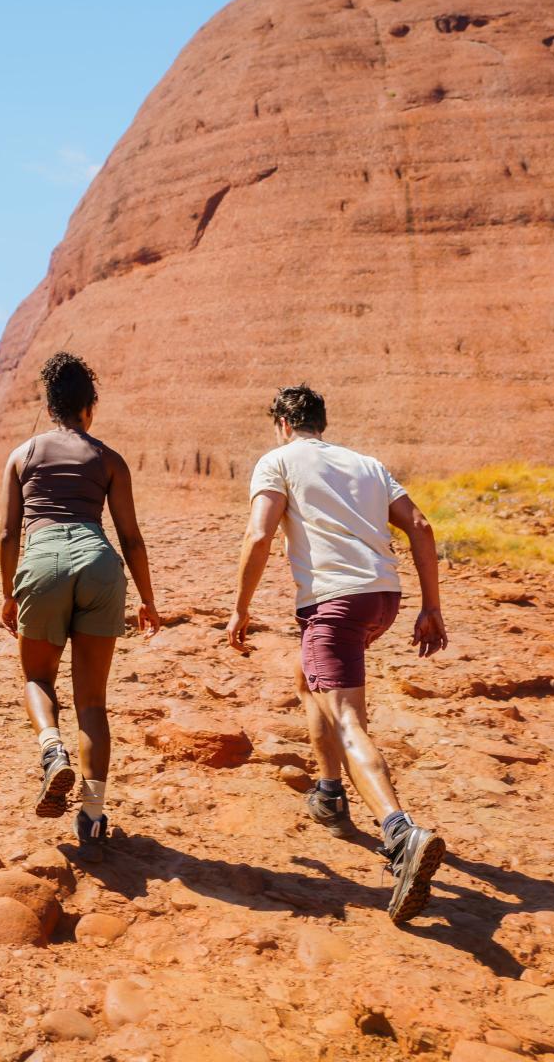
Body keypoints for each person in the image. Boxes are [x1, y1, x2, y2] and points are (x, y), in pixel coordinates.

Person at [224, 384, 450, 923]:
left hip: (334, 603)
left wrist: (240, 608)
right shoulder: (368, 465)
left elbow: (259, 534)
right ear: (321, 422)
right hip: (383, 598)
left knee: (348, 718)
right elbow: (420, 525)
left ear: (282, 424)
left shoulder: (277, 461)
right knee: (311, 682)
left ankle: (400, 832)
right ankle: (329, 793)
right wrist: (431, 608)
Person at [0, 352, 161, 861]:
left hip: (42, 559)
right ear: (89, 408)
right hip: (99, 561)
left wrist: (8, 591)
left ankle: (51, 747)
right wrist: (149, 601)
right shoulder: (109, 460)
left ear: (50, 407)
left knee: (36, 679)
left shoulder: (22, 455)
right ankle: (92, 817)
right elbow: (131, 537)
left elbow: (7, 533)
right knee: (92, 702)